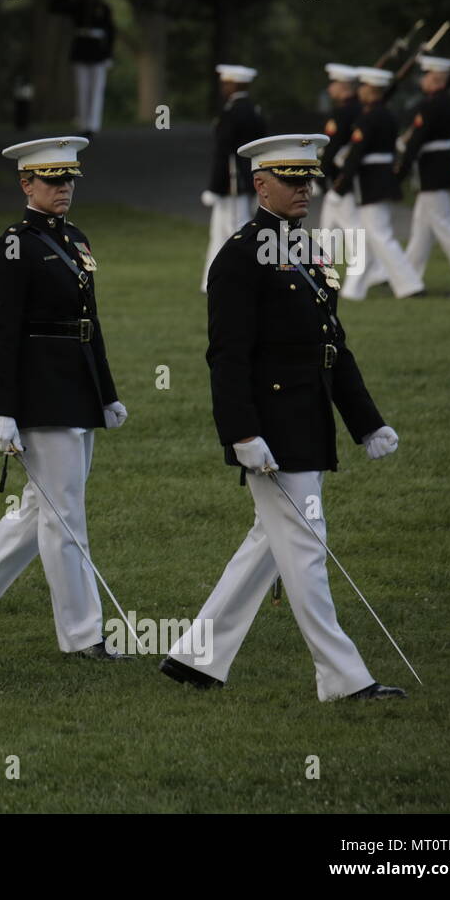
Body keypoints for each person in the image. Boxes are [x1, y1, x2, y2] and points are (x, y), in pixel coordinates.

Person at [161, 133, 406, 702]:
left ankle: (195, 657)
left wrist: (366, 422)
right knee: (304, 544)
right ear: (260, 184)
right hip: (271, 426)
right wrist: (243, 433)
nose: (305, 190)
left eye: (308, 180)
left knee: (270, 542)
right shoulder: (240, 256)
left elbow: (331, 343)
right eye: (292, 181)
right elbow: (227, 356)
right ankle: (344, 678)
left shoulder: (310, 249)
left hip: (307, 419)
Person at [0, 136, 128, 660]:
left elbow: (90, 324)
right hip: (42, 395)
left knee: (42, 507)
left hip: (79, 389)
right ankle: (83, 635)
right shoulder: (14, 246)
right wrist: (2, 408)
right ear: (26, 184)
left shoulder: (76, 239)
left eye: (68, 180)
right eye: (51, 180)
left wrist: (106, 393)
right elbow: (3, 334)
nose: (63, 188)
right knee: (65, 516)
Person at [334, 66, 424, 299]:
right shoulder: (388, 115)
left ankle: (409, 284)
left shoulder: (369, 117)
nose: (360, 90)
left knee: (380, 236)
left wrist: (340, 187)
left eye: (363, 86)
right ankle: (355, 289)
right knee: (369, 237)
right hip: (381, 179)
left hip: (372, 182)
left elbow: (356, 154)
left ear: (371, 90)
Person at [397, 55, 450, 289]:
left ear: (437, 79)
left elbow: (416, 141)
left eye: (426, 76)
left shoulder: (427, 105)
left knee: (445, 226)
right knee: (421, 229)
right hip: (447, 163)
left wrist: (402, 170)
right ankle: (408, 276)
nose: (423, 80)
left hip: (431, 168)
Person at [317, 62, 389, 293]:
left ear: (343, 86)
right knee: (329, 229)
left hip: (342, 181)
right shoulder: (358, 109)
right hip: (343, 181)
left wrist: (319, 175)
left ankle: (368, 272)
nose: (330, 89)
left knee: (351, 231)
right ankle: (321, 274)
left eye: (333, 84)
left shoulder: (344, 112)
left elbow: (331, 148)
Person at [202, 64, 265, 292]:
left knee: (239, 231)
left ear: (234, 84)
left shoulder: (233, 112)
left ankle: (250, 277)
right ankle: (212, 278)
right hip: (247, 179)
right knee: (219, 232)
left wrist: (214, 187)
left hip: (233, 182)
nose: (223, 87)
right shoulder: (254, 110)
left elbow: (223, 152)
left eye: (226, 83)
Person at [49, 0, 115, 137]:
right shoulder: (77, 5)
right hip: (81, 49)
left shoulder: (103, 7)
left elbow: (111, 32)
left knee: (96, 89)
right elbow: (54, 7)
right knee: (82, 89)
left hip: (98, 50)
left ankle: (92, 125)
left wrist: (108, 54)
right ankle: (83, 124)